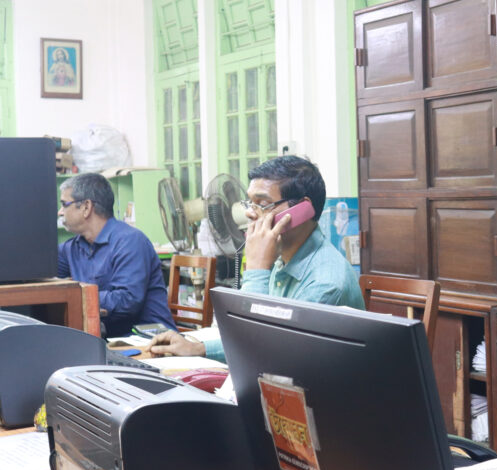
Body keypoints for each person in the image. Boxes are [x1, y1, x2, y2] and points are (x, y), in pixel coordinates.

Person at [148, 155, 363, 361]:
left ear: (303, 210)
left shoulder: (325, 283)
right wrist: (198, 349)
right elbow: (258, 338)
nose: (251, 214)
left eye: (262, 203)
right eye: (250, 203)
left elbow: (259, 348)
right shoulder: (282, 258)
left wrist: (257, 267)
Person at [57, 173, 176, 338]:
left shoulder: (130, 241)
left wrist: (78, 297)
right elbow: (41, 274)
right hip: (106, 338)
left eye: (64, 204)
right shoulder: (73, 247)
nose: (60, 212)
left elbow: (127, 301)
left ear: (86, 207)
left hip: (148, 339)